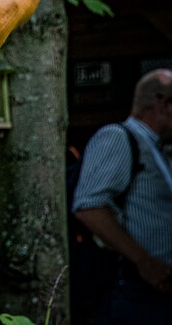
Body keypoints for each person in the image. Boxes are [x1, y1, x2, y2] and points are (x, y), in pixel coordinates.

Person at [72, 68, 172, 323]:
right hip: (131, 288)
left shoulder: (157, 148)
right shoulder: (117, 136)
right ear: (163, 103)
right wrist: (144, 262)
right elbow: (89, 207)